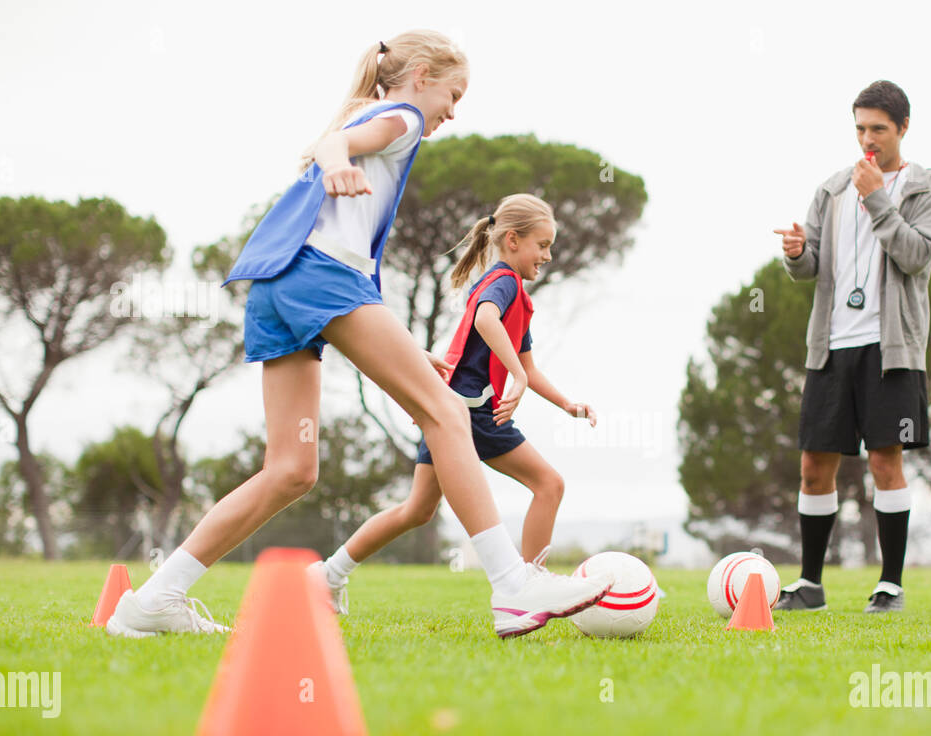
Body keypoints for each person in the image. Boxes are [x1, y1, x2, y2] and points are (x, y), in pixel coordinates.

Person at [106, 31, 608, 640]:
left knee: (291, 469)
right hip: (320, 278)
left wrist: (396, 339)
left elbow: (341, 220)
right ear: (421, 75)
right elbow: (331, 144)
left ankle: (155, 599)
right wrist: (339, 162)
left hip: (280, 285)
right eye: (453, 94)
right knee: (447, 411)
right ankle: (512, 587)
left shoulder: (379, 116)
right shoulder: (399, 116)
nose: (453, 111)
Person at [311, 194, 598, 614]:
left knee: (417, 510)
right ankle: (530, 585)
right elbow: (486, 320)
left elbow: (527, 367)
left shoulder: (514, 293)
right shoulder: (504, 281)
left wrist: (567, 404)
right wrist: (514, 376)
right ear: (513, 240)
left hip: (449, 409)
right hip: (470, 411)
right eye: (543, 245)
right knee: (548, 485)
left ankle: (328, 575)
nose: (548, 255)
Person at [773, 80, 931, 614]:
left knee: (885, 461)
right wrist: (798, 252)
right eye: (859, 128)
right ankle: (809, 585)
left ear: (902, 129)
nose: (867, 140)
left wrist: (877, 196)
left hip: (891, 348)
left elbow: (915, 255)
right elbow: (811, 268)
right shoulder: (830, 189)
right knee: (813, 464)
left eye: (878, 128)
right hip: (830, 347)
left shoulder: (930, 190)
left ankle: (890, 584)